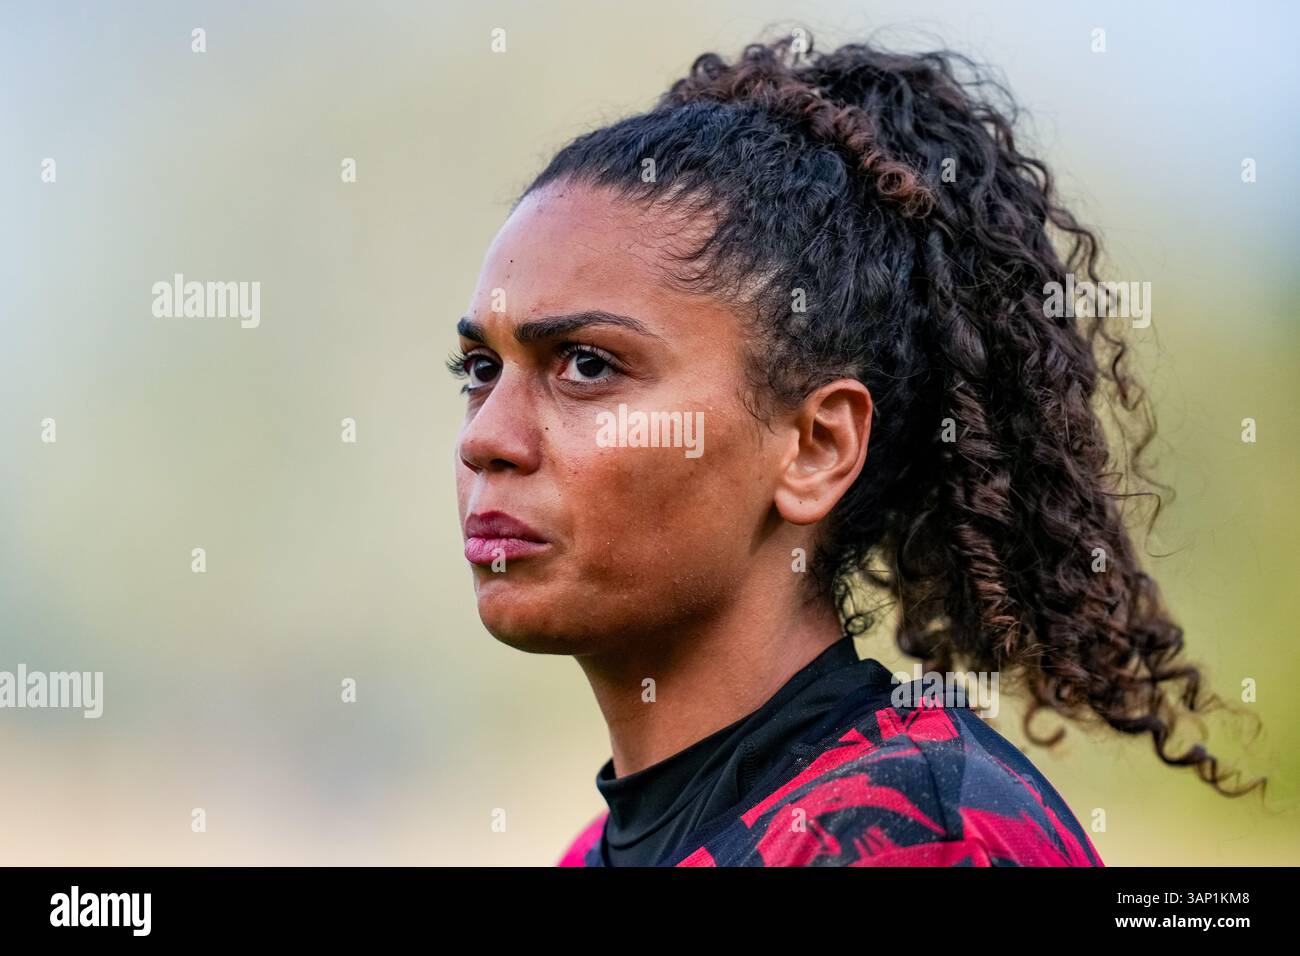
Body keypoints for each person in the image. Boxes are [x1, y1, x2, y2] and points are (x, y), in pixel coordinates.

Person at [449, 33, 1263, 866]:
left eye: (588, 365)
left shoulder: (919, 840)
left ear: (815, 448)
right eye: (480, 369)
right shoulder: (593, 853)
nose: (486, 438)